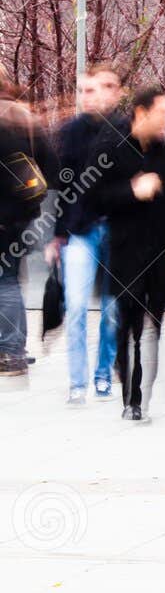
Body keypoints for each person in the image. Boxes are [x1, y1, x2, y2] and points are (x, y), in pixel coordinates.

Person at [87, 85, 165, 421]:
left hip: (161, 252)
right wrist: (132, 191)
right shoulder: (110, 148)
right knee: (129, 324)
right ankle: (132, 398)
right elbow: (93, 199)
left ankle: (141, 393)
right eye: (162, 113)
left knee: (153, 327)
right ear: (141, 113)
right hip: (125, 251)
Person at [47, 63, 126, 403]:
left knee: (112, 311)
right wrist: (58, 234)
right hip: (81, 229)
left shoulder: (127, 129)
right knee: (76, 305)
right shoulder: (71, 132)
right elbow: (64, 185)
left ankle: (103, 373)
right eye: (82, 91)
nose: (87, 97)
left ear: (115, 91)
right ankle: (78, 381)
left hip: (118, 230)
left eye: (93, 89)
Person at [0, 80, 52, 376]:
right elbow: (52, 165)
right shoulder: (24, 117)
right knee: (9, 278)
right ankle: (13, 347)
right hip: (24, 214)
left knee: (5, 281)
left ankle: (11, 351)